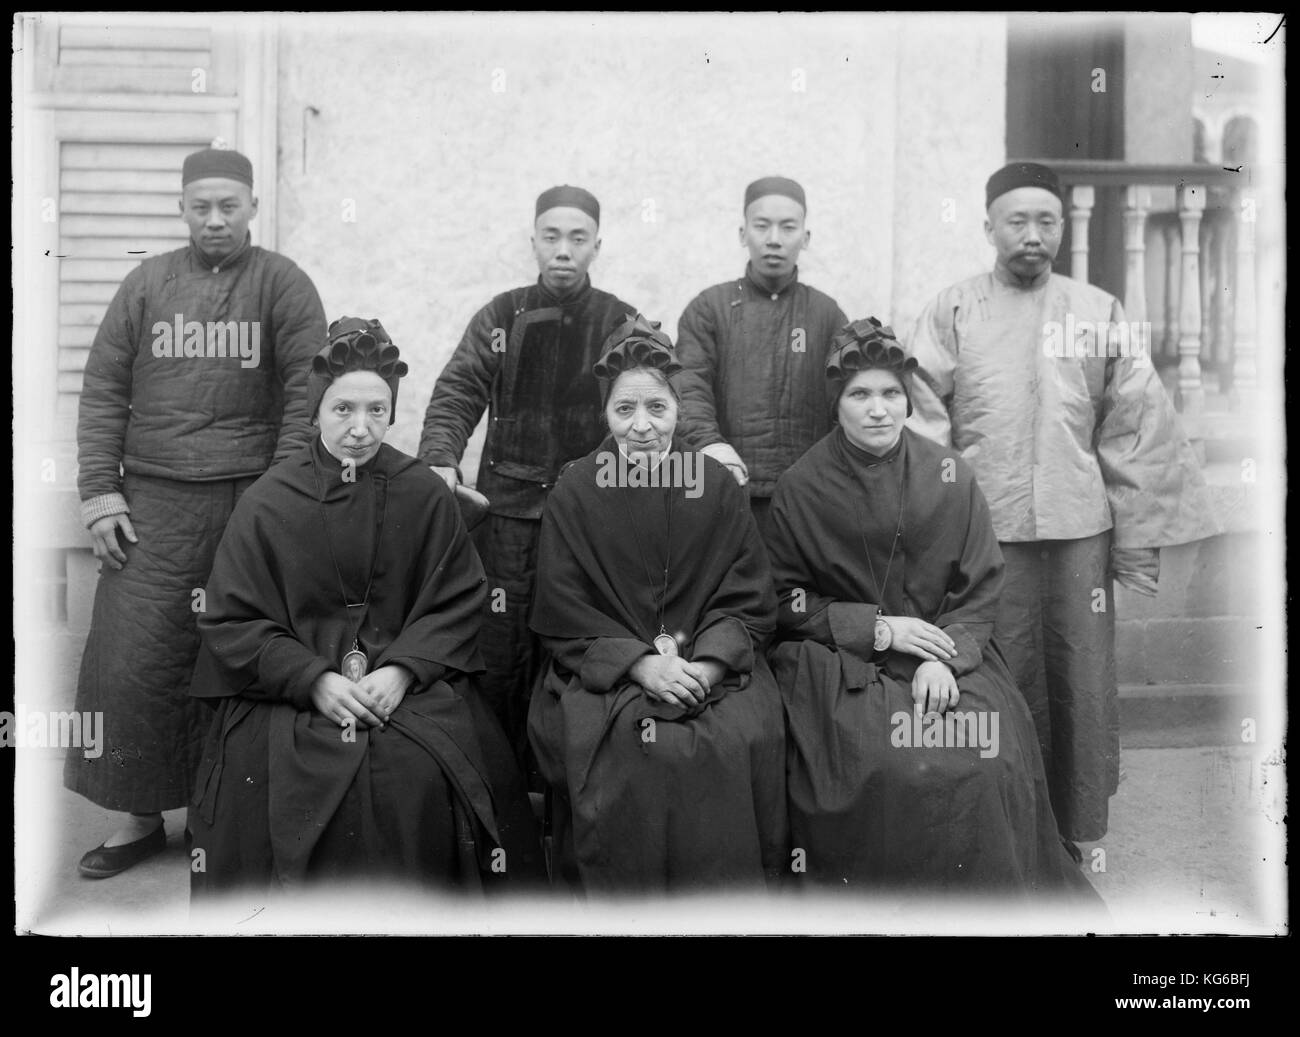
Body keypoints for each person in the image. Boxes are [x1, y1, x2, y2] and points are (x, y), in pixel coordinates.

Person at [905, 162, 1221, 849]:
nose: (1032, 234)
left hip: (1080, 531)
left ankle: (1072, 835)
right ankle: (1008, 831)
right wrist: (941, 528)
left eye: (1046, 220)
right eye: (1017, 220)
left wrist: (1134, 535)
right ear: (989, 226)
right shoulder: (952, 309)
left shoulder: (1098, 309)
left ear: (1061, 229)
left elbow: (1134, 427)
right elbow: (923, 424)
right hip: (985, 534)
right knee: (1000, 672)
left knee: (1079, 677)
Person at [187, 318, 542, 894]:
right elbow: (232, 619)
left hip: (409, 683)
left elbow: (458, 598)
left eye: (377, 410)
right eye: (343, 409)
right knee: (280, 781)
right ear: (317, 412)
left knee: (414, 770)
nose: (360, 428)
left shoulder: (423, 492)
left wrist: (403, 670)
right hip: (287, 692)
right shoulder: (268, 500)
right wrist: (314, 680)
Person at [67, 144, 327, 878]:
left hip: (249, 499)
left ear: (252, 207)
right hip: (151, 502)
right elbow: (104, 390)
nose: (216, 220)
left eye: (229, 206)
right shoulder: (145, 284)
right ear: (181, 210)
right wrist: (99, 491)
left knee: (245, 656)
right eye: (200, 206)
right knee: (133, 662)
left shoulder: (283, 283)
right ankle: (138, 817)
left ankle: (232, 820)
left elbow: (307, 396)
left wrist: (277, 498)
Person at [764, 318, 1092, 894]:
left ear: (908, 400)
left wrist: (947, 659)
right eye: (859, 394)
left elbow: (980, 586)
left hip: (946, 654)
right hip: (841, 661)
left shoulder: (950, 474)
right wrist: (877, 629)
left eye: (891, 393)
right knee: (887, 764)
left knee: (983, 757)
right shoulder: (800, 486)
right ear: (835, 404)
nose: (878, 409)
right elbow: (784, 600)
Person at [527, 315, 787, 894]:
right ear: (605, 414)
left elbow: (747, 599)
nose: (642, 427)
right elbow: (562, 610)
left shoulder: (715, 485)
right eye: (624, 410)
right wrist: (640, 664)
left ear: (678, 411)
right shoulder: (577, 488)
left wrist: (710, 664)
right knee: (631, 748)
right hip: (606, 671)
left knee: (735, 736)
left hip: (711, 671)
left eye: (657, 409)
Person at [418, 185, 639, 765]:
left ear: (597, 247)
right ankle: (499, 792)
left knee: (575, 643)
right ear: (534, 242)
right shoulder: (502, 315)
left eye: (578, 238)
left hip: (588, 516)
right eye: (551, 237)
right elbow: (460, 388)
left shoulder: (620, 320)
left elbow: (652, 402)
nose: (563, 250)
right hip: (508, 515)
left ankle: (563, 796)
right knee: (500, 647)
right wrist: (442, 457)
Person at [673, 176, 847, 533]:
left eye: (788, 227)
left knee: (797, 588)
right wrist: (710, 446)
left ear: (806, 237)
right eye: (762, 226)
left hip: (808, 497)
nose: (774, 240)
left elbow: (844, 401)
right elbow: (688, 387)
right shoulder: (709, 309)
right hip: (724, 488)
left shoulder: (827, 314)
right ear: (742, 234)